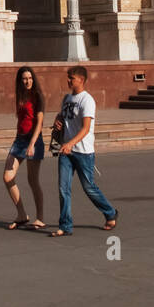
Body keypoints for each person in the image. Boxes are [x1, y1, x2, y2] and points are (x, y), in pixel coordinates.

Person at [49, 65, 117, 238]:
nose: (68, 80)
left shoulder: (87, 100)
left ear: (81, 79)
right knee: (63, 188)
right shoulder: (67, 98)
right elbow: (62, 116)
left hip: (83, 152)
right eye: (68, 77)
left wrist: (70, 143)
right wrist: (57, 122)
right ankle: (65, 225)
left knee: (89, 187)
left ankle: (110, 212)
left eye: (71, 77)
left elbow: (86, 128)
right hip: (66, 151)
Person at [3, 66, 46, 230]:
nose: (27, 81)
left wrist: (32, 144)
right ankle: (22, 214)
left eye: (29, 78)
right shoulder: (20, 96)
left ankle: (40, 218)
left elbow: (39, 123)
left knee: (33, 181)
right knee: (7, 176)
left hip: (33, 140)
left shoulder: (38, 97)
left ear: (33, 79)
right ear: (20, 81)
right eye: (24, 79)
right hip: (19, 140)